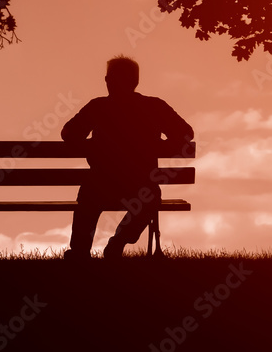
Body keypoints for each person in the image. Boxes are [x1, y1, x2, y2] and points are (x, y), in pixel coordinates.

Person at [61, 55, 194, 259]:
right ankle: (118, 242)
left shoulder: (98, 107)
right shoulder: (154, 107)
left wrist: (91, 148)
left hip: (101, 183)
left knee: (88, 198)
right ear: (136, 82)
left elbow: (69, 133)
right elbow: (186, 133)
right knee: (150, 199)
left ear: (107, 80)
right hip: (140, 184)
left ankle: (80, 252)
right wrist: (159, 146)